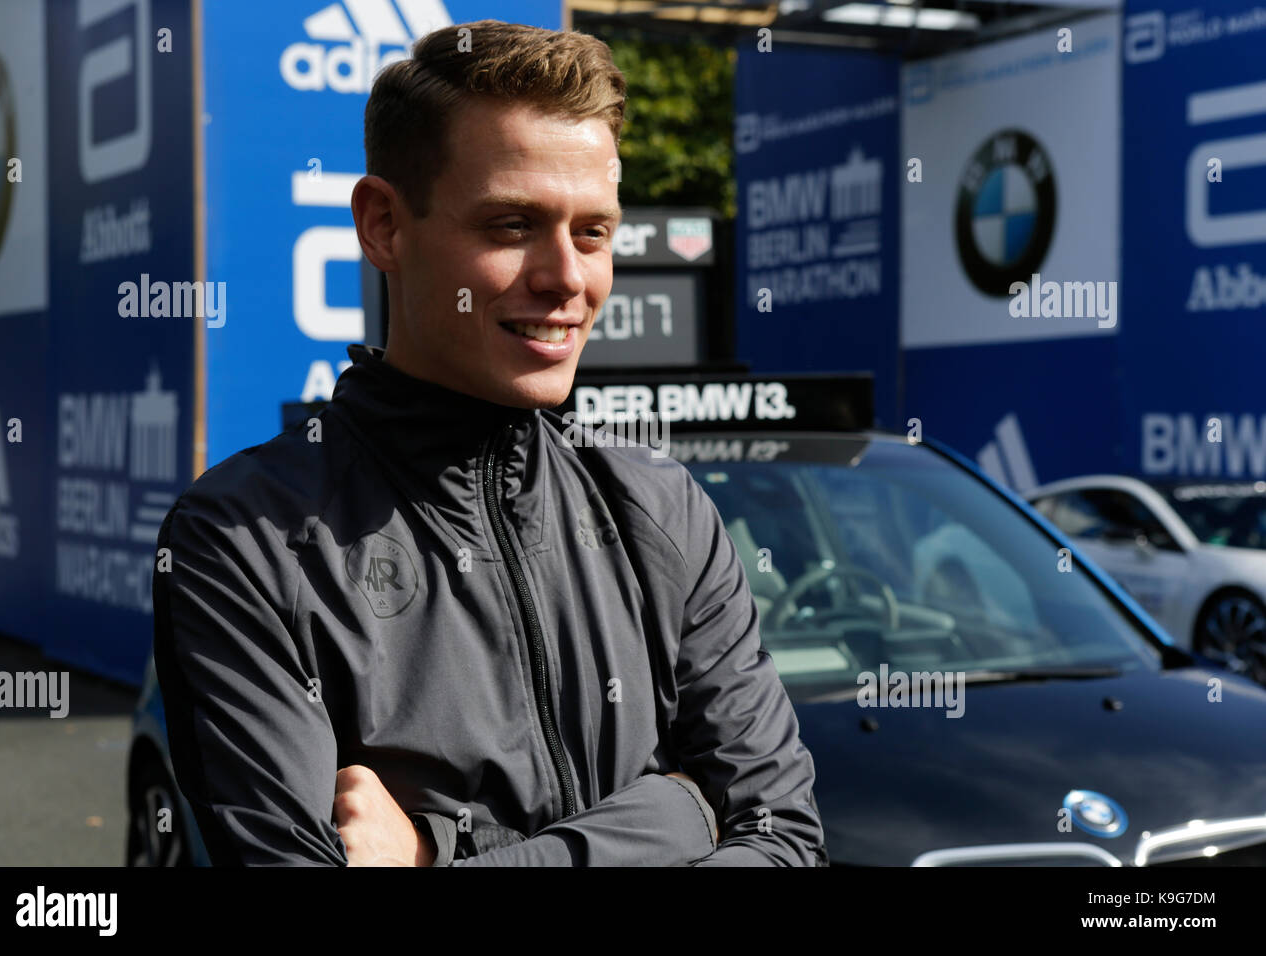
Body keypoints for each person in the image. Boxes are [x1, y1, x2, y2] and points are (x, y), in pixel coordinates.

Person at [153, 19, 828, 867]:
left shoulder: (663, 509)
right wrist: (677, 817)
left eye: (593, 232)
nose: (568, 278)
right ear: (383, 226)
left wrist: (437, 858)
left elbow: (785, 843)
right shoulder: (242, 544)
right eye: (512, 225)